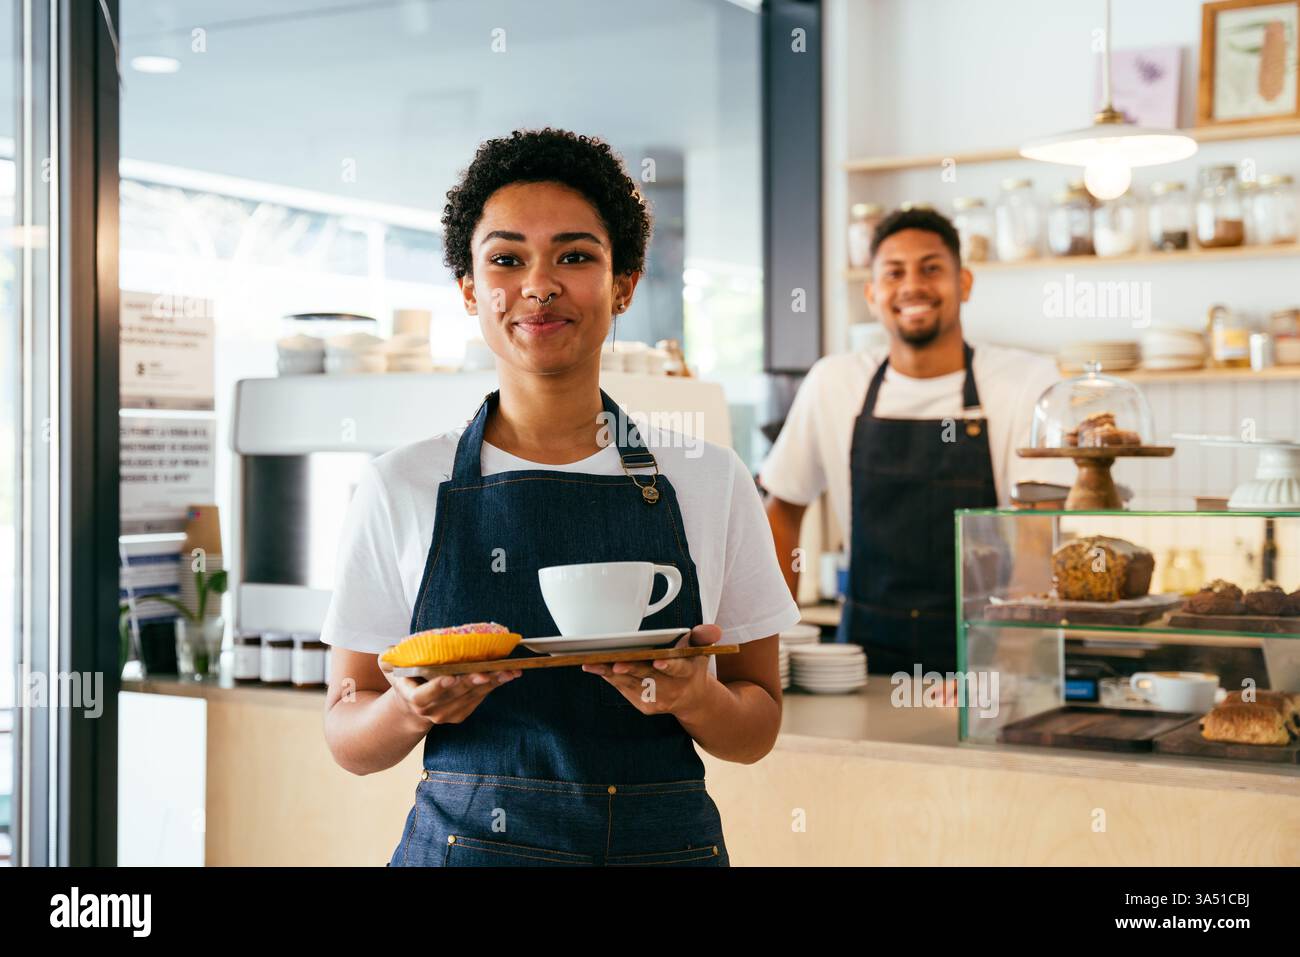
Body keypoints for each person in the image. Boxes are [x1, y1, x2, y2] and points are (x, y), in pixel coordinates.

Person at [321, 128, 799, 866]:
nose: (539, 285)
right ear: (469, 289)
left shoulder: (709, 476)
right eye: (507, 259)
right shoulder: (401, 484)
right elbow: (348, 735)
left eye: (575, 256)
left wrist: (695, 698)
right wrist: (409, 708)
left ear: (624, 284)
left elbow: (758, 723)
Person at [760, 207, 1066, 676]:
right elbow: (783, 510)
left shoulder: (1025, 381)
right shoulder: (833, 381)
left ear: (964, 283)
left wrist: (1006, 662)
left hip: (987, 652)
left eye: (931, 269)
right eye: (894, 273)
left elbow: (1038, 529)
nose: (912, 287)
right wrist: (772, 649)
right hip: (861, 660)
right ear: (872, 294)